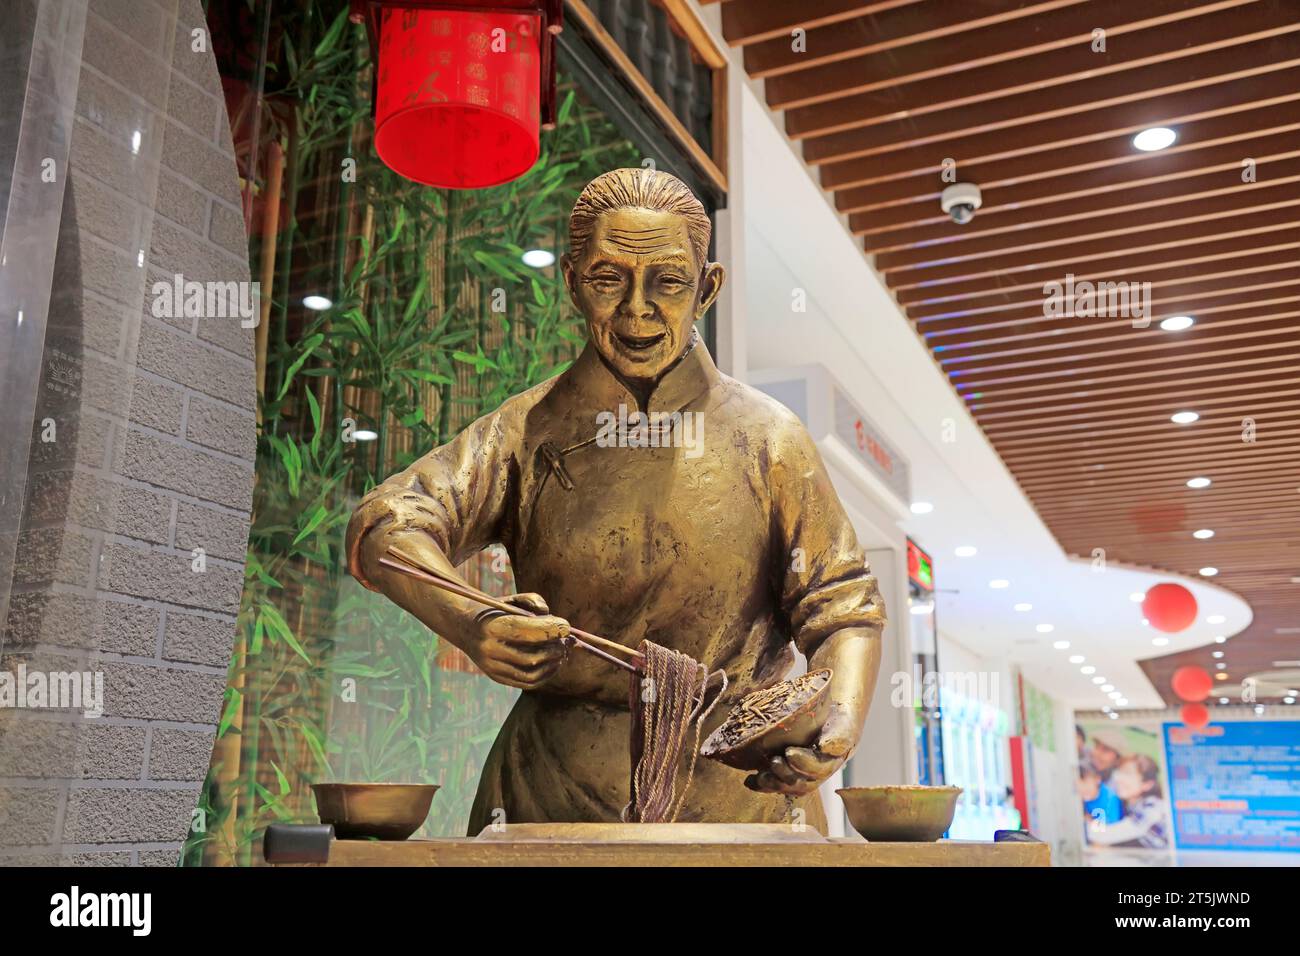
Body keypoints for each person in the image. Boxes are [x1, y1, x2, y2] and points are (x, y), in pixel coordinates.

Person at [346, 168, 886, 834]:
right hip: (549, 797)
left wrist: (838, 717)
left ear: (707, 288)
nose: (637, 309)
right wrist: (473, 621)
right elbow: (385, 525)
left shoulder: (768, 438)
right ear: (572, 280)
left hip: (740, 798)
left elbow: (843, 606)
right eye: (608, 279)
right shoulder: (526, 431)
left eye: (668, 281)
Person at [1086, 754, 1169, 849]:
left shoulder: (1152, 807)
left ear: (1147, 784)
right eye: (1119, 772)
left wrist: (1083, 823)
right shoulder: (1128, 804)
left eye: (1128, 774)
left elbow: (1103, 836)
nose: (1118, 778)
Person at [1078, 764, 1122, 831]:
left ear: (1097, 779)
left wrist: (1089, 820)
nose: (1083, 788)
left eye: (1086, 782)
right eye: (1079, 785)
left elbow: (1109, 830)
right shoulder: (1083, 798)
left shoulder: (1110, 799)